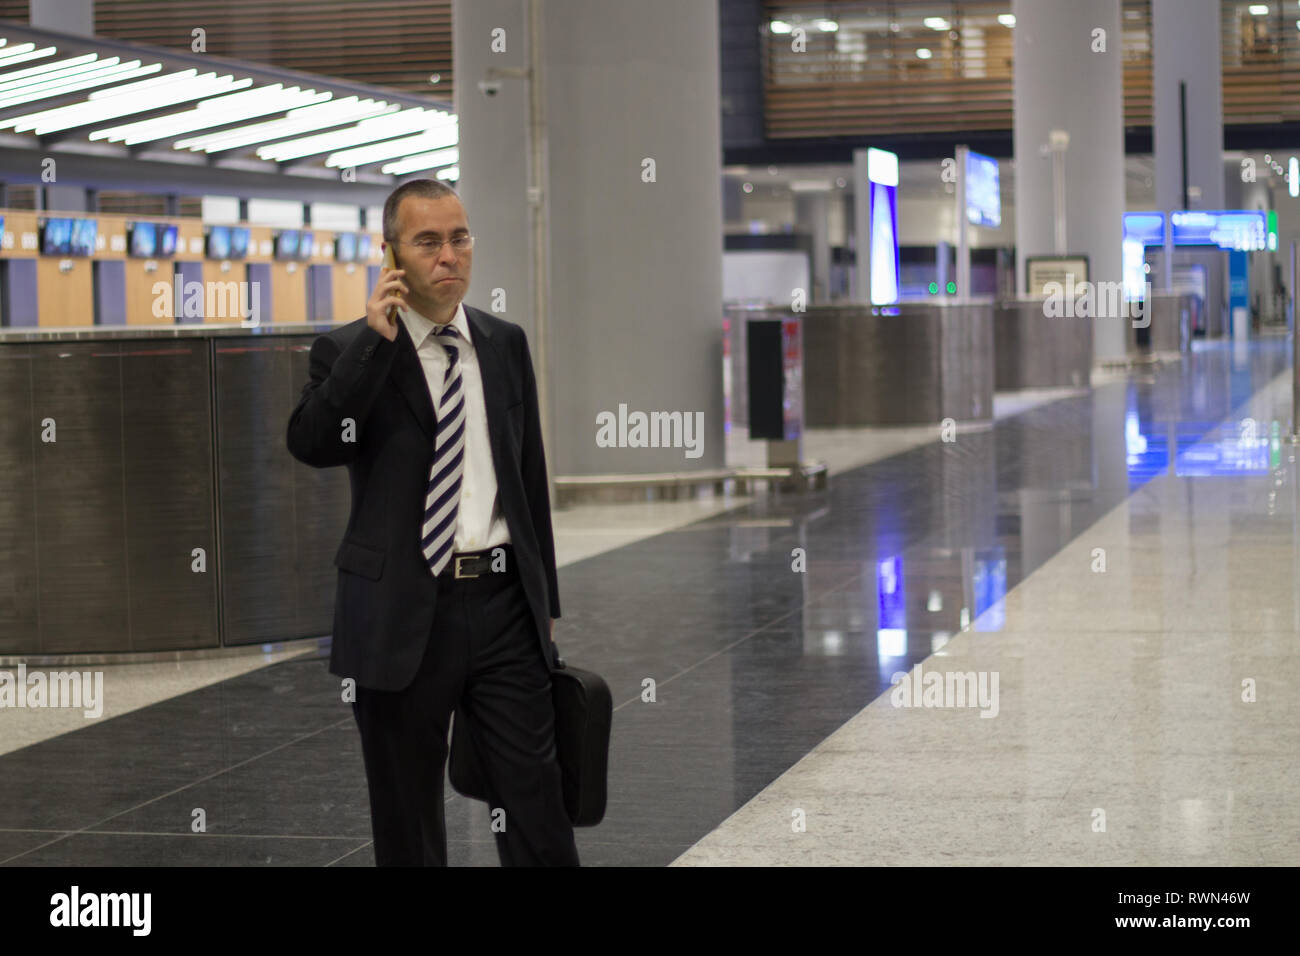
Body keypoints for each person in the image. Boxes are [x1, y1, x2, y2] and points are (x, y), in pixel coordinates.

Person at [285, 178, 578, 866]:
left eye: (460, 237)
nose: (449, 256)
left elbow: (528, 477)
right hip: (401, 611)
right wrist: (375, 345)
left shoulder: (503, 344)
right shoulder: (350, 351)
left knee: (536, 802)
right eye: (427, 242)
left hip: (504, 604)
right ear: (390, 255)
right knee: (407, 819)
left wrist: (547, 603)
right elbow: (313, 443)